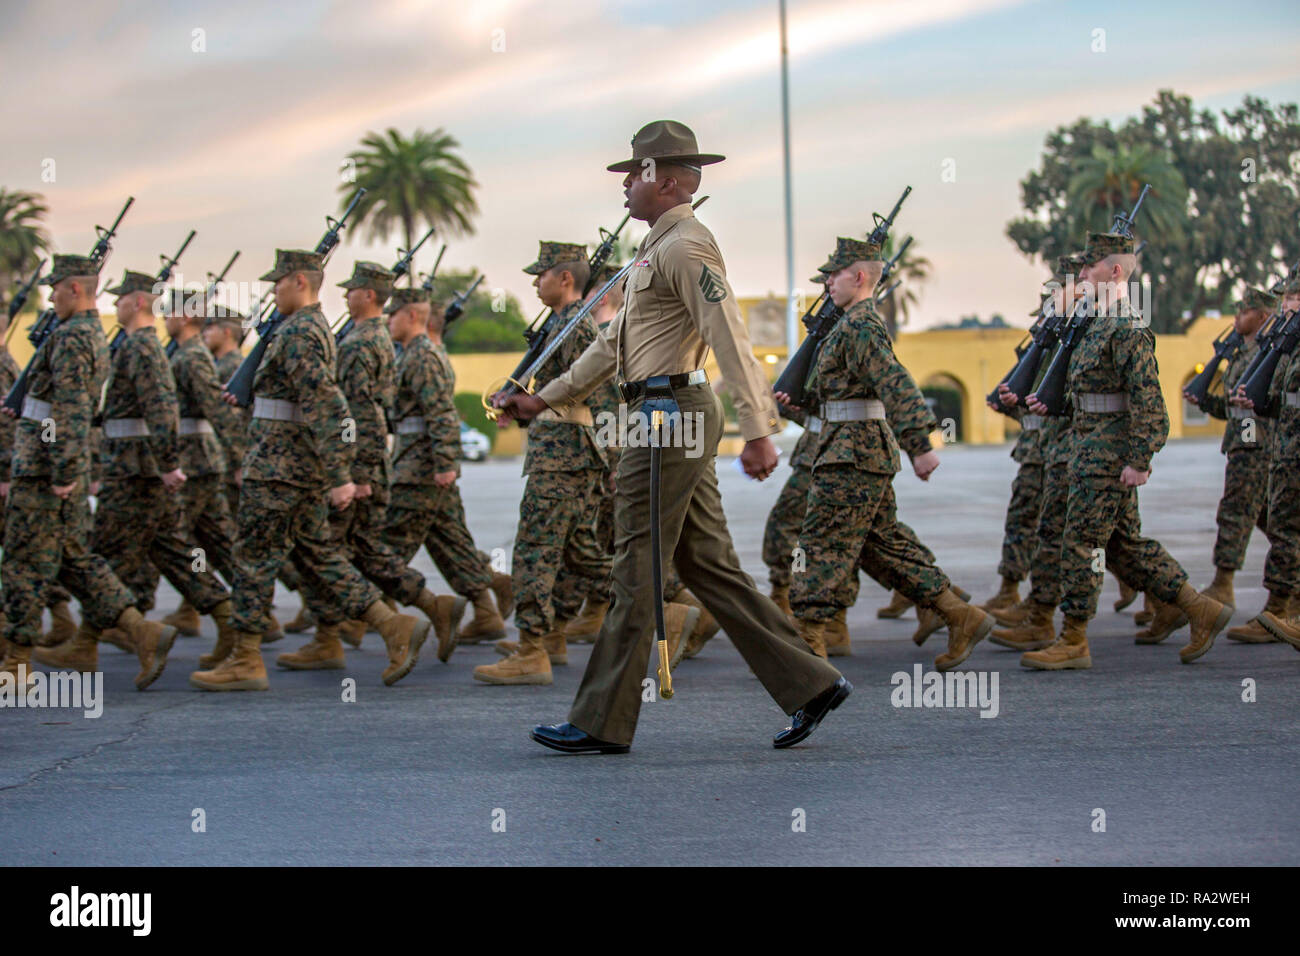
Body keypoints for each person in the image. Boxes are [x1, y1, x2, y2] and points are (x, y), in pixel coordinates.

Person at [495, 120, 849, 753]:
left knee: (635, 563)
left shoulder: (686, 247)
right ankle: (812, 684)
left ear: (662, 178)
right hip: (661, 414)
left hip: (669, 418)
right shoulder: (654, 251)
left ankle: (600, 720)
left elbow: (729, 335)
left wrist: (758, 428)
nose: (627, 183)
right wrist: (541, 397)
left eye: (635, 172)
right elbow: (611, 346)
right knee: (706, 565)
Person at [192, 249, 430, 691]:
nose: (273, 289)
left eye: (279, 282)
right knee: (316, 555)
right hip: (289, 464)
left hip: (281, 467)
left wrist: (341, 474)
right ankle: (391, 624)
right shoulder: (303, 327)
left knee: (254, 557)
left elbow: (328, 403)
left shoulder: (300, 330)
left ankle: (246, 658)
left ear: (300, 281)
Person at [776, 238, 992, 669]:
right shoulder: (849, 325)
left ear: (858, 277)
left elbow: (893, 381)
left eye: (833, 274)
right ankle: (959, 614)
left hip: (851, 455)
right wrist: (800, 404)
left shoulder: (859, 325)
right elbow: (844, 395)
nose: (826, 282)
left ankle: (809, 651)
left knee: (818, 546)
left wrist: (920, 444)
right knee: (880, 546)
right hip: (853, 450)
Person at [1021, 231, 1231, 668]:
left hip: (1108, 454)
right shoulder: (1097, 321)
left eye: (1090, 266)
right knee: (1120, 545)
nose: (1081, 274)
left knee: (1080, 542)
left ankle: (1074, 640)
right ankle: (1196, 607)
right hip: (1089, 446)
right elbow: (1092, 389)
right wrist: (1055, 404)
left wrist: (1140, 458)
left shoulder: (1127, 325)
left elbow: (1149, 401)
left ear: (1115, 270)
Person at [0, 255, 176, 690]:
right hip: (50, 467)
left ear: (75, 290)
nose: (51, 296)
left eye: (56, 288)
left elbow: (71, 410)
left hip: (43, 472)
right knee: (76, 561)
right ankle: (142, 631)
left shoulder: (75, 337)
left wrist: (62, 469)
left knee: (22, 562)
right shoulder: (78, 333)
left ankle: (16, 664)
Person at [380, 288, 514, 652]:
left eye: (393, 314)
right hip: (417, 464)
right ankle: (488, 608)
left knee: (381, 548)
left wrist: (444, 464)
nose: (387, 321)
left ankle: (365, 617)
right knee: (450, 544)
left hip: (418, 469)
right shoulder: (414, 353)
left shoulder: (423, 356)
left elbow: (440, 414)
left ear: (411, 316)